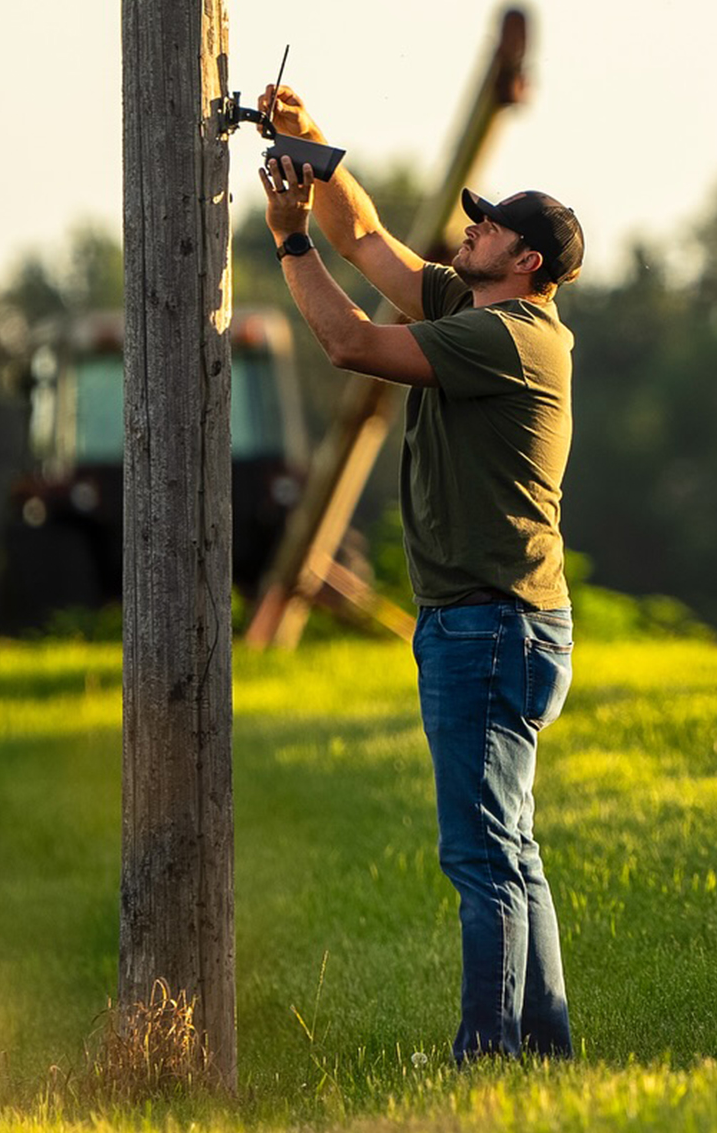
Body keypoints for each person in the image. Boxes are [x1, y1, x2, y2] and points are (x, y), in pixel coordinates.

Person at [255, 84, 584, 1065]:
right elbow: (367, 242)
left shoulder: (501, 338)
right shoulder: (474, 306)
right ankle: (544, 1052)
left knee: (480, 857)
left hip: (486, 627)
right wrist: (310, 150)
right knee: (512, 853)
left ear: (523, 261)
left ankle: (485, 1057)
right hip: (511, 623)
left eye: (485, 229)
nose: (466, 232)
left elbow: (348, 339)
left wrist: (284, 239)